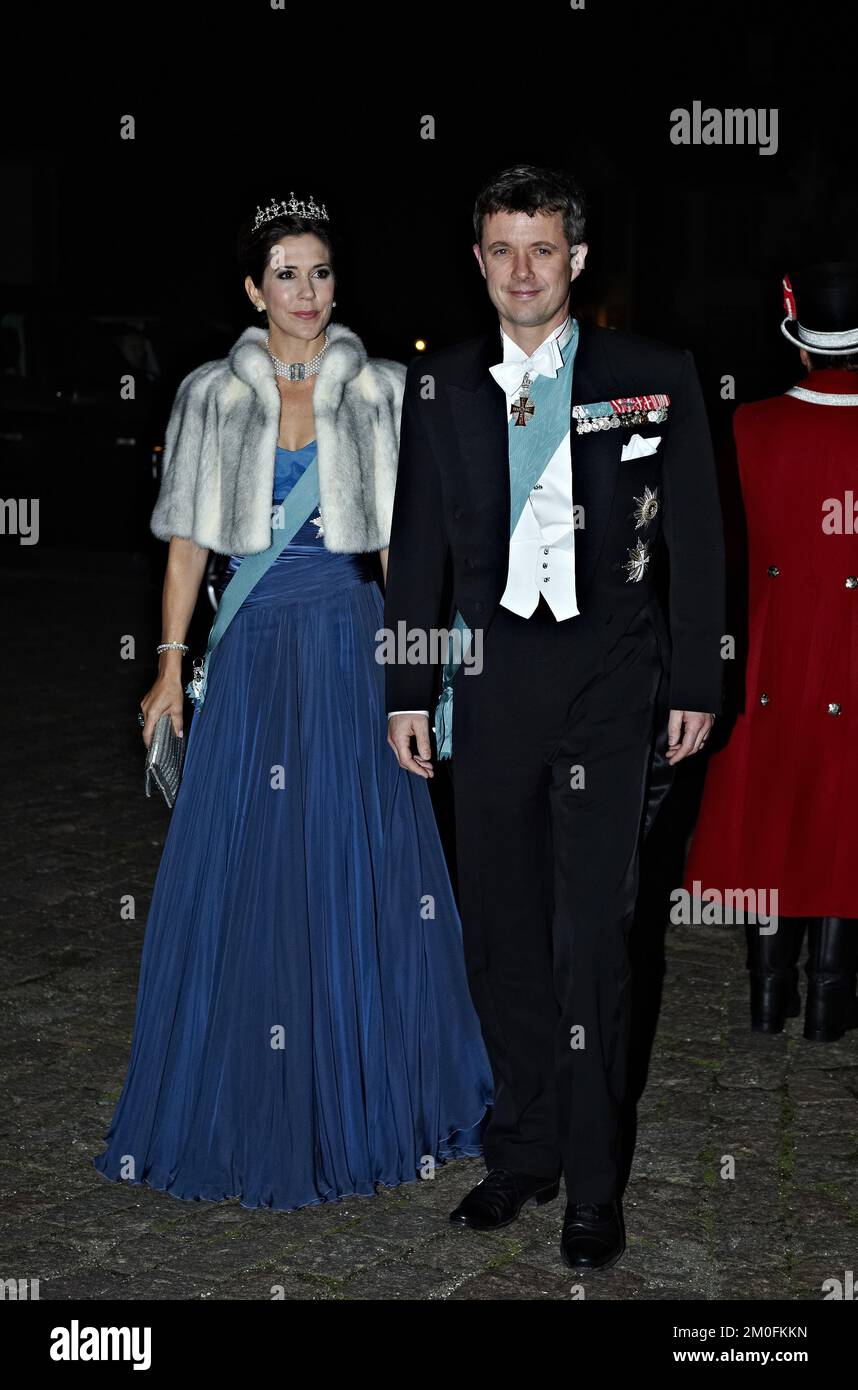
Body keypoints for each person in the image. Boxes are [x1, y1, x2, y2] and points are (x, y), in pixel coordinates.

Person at [92, 194, 492, 1212]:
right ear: (251, 287)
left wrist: (419, 668)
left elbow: (408, 551)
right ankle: (244, 1093)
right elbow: (185, 539)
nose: (305, 292)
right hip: (260, 653)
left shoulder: (385, 392)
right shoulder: (210, 397)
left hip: (355, 648)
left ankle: (378, 1092)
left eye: (319, 272)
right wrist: (171, 658)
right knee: (251, 868)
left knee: (362, 864)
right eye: (285, 274)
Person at [384, 165, 725, 1271]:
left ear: (576, 260)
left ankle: (592, 1179)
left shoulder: (654, 375)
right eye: (501, 250)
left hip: (612, 684)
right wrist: (404, 689)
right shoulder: (439, 390)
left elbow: (703, 547)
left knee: (592, 943)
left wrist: (696, 685)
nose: (521, 271)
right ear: (478, 260)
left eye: (542, 249)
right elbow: (419, 552)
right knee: (500, 936)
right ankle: (521, 1149)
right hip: (491, 686)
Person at [685, 262, 858, 1043]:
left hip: (770, 649)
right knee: (840, 813)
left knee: (775, 808)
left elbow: (716, 550)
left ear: (800, 346)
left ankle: (766, 999)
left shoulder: (748, 425)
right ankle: (828, 1006)